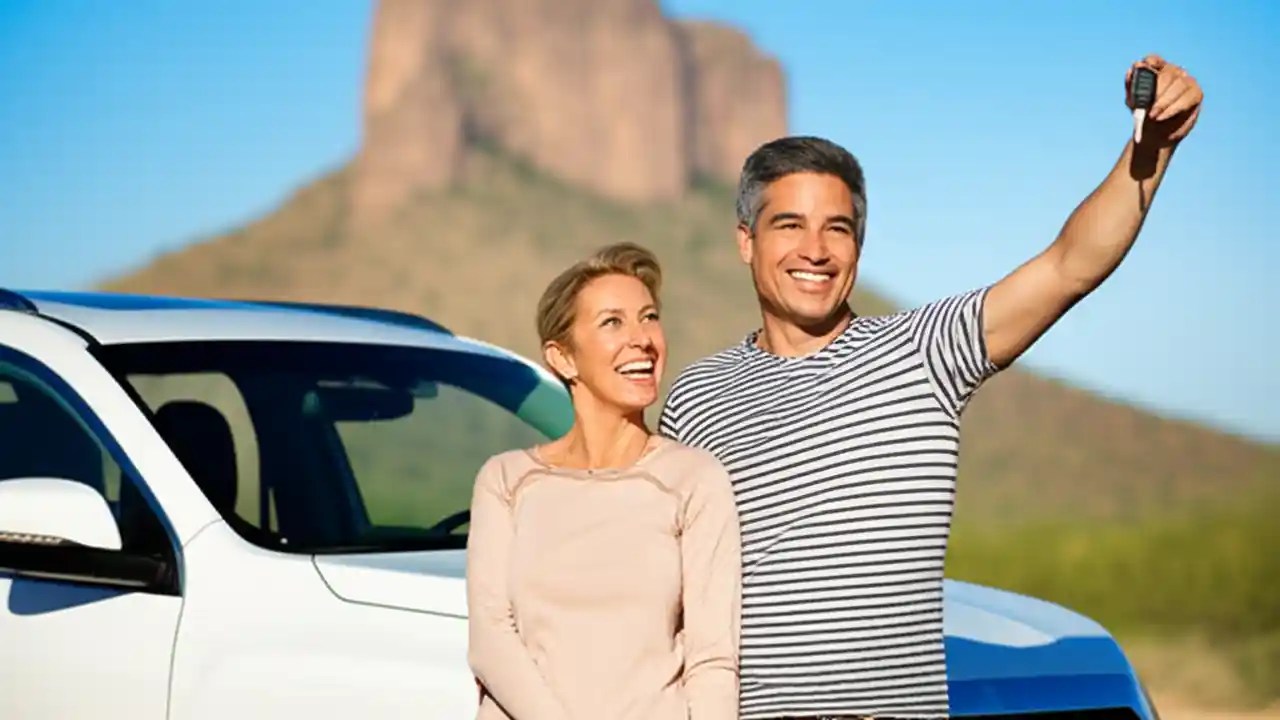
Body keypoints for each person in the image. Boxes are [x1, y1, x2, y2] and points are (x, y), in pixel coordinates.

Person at [658, 55, 1204, 720]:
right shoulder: (696, 397)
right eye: (789, 225)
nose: (817, 250)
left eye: (838, 227)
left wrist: (1150, 151)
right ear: (746, 241)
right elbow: (663, 588)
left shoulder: (923, 352)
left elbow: (1070, 265)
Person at [466, 242, 743, 720]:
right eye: (613, 322)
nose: (642, 339)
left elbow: (713, 660)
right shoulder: (507, 481)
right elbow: (490, 640)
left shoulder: (694, 479)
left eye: (649, 317)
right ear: (564, 358)